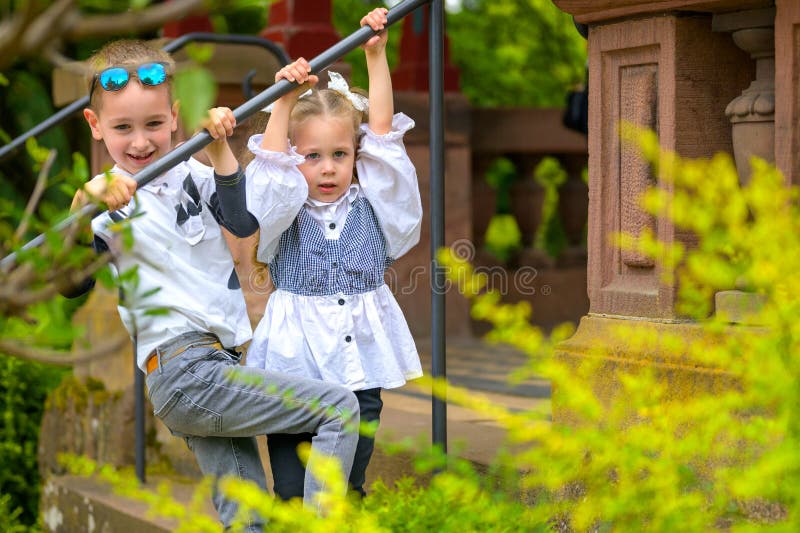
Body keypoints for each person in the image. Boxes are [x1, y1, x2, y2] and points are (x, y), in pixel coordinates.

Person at [65, 39, 360, 531]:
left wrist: (222, 148)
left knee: (246, 518)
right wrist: (83, 204)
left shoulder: (196, 173)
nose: (140, 141)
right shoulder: (107, 204)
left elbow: (243, 227)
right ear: (96, 127)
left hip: (213, 363)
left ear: (175, 117)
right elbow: (69, 285)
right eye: (123, 128)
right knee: (339, 408)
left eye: (154, 124)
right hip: (183, 371)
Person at [243, 7, 423, 500]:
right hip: (294, 354)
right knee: (292, 484)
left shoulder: (375, 202)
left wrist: (377, 56)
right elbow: (269, 175)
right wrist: (282, 102)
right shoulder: (282, 208)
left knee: (349, 478)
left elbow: (384, 135)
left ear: (355, 156)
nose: (326, 169)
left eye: (339, 155)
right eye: (311, 156)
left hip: (357, 355)